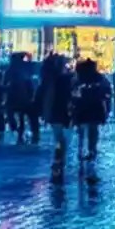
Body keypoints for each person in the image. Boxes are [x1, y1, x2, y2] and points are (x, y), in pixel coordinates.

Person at [70, 59, 110, 185]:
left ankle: (82, 149)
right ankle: (92, 149)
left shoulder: (78, 78)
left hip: (81, 107)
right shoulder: (99, 78)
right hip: (95, 107)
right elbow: (106, 90)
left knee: (82, 129)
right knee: (93, 129)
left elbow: (72, 93)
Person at [38, 54, 73, 184]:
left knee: (59, 138)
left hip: (53, 113)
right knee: (64, 139)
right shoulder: (67, 79)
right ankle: (59, 160)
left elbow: (41, 96)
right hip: (64, 113)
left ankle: (58, 159)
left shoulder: (47, 80)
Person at [4, 52, 38, 145]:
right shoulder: (25, 69)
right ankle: (31, 135)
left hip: (13, 99)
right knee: (24, 116)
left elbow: (4, 84)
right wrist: (31, 96)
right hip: (24, 100)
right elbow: (30, 85)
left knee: (12, 113)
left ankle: (16, 130)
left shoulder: (9, 71)